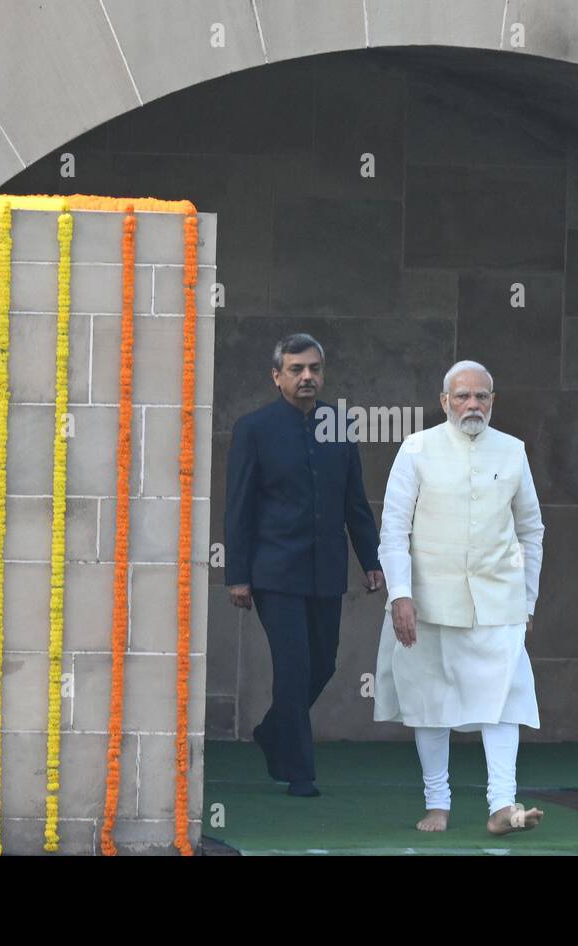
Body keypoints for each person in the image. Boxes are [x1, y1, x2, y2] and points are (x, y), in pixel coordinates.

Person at [373, 360, 546, 834]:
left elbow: (531, 530)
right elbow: (393, 530)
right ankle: (437, 805)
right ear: (444, 401)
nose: (474, 404)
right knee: (431, 701)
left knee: (503, 697)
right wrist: (400, 596)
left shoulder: (512, 452)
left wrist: (526, 600)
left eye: (482, 396)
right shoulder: (417, 448)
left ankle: (502, 806)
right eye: (464, 396)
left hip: (499, 600)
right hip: (428, 600)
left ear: (493, 401)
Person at [225, 333, 385, 797]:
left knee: (324, 664)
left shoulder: (340, 424)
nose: (307, 376)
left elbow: (354, 500)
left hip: (326, 570)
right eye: (296, 369)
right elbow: (239, 507)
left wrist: (370, 559)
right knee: (293, 668)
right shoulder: (254, 429)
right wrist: (238, 575)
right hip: (274, 572)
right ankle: (299, 772)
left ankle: (273, 731)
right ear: (277, 377)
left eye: (314, 368)